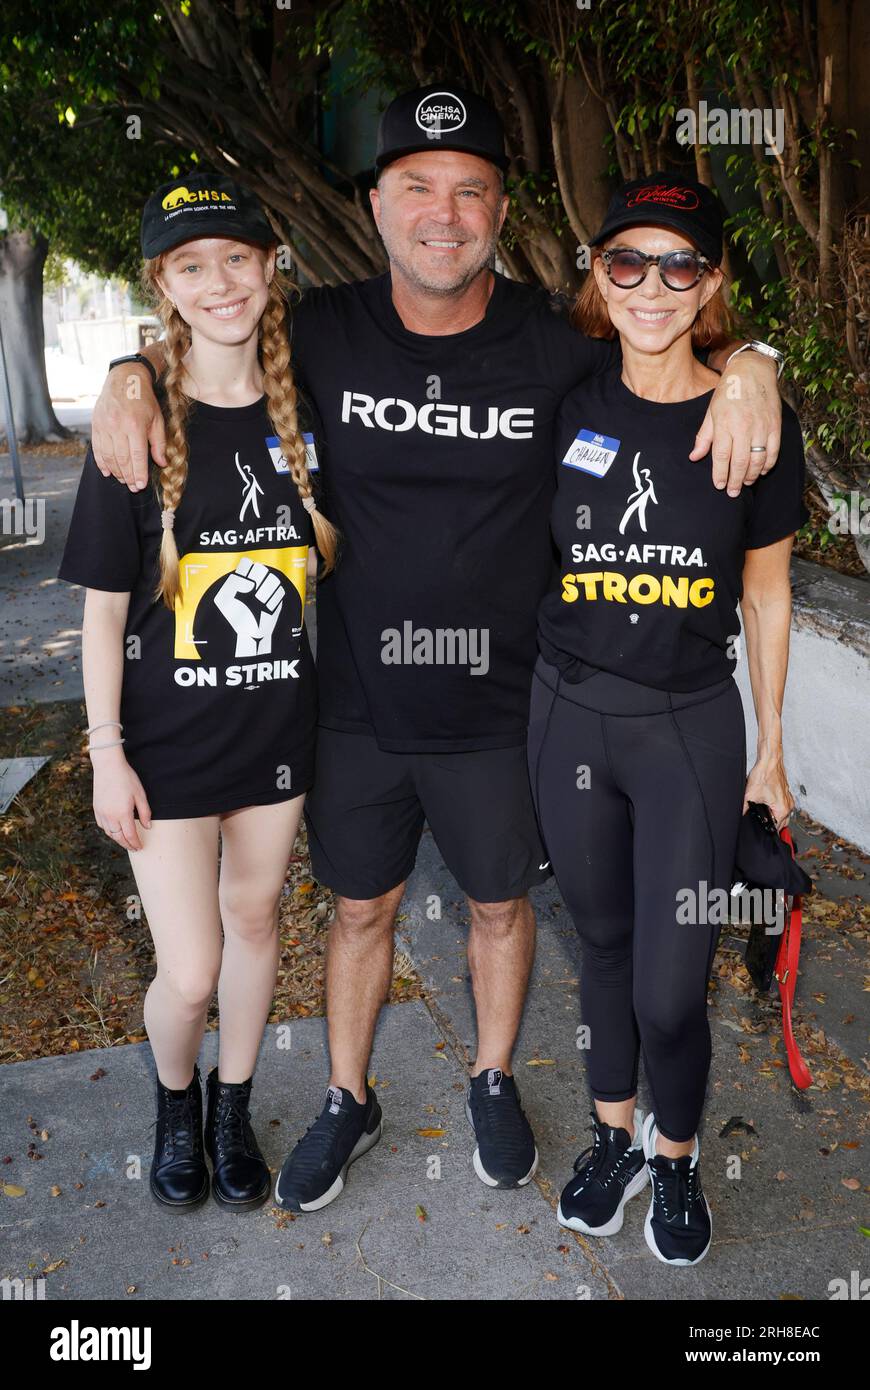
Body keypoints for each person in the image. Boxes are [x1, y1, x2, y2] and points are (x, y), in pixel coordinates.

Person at [87, 84, 785, 1212]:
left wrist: (757, 357)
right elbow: (210, 346)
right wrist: (128, 374)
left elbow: (674, 360)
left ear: (503, 211)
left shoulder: (558, 352)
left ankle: (493, 1075)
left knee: (502, 909)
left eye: (471, 189)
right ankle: (347, 1097)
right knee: (358, 910)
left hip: (508, 711)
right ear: (375, 205)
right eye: (417, 185)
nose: (444, 212)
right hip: (354, 708)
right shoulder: (316, 333)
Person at [527, 173, 808, 1265]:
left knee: (669, 985)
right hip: (567, 717)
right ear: (597, 276)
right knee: (598, 943)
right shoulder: (567, 387)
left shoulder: (751, 417)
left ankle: (678, 1152)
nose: (653, 285)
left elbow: (770, 592)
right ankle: (614, 1140)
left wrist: (774, 749)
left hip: (689, 727)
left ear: (715, 283)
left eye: (682, 262)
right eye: (627, 261)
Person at [58, 172, 336, 1211]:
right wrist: (107, 751)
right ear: (162, 286)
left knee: (258, 922)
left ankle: (232, 1108)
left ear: (270, 267)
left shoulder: (308, 406)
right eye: (190, 266)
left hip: (276, 732)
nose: (218, 281)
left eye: (235, 257)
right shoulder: (135, 429)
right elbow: (97, 614)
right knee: (189, 972)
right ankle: (175, 1101)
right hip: (165, 747)